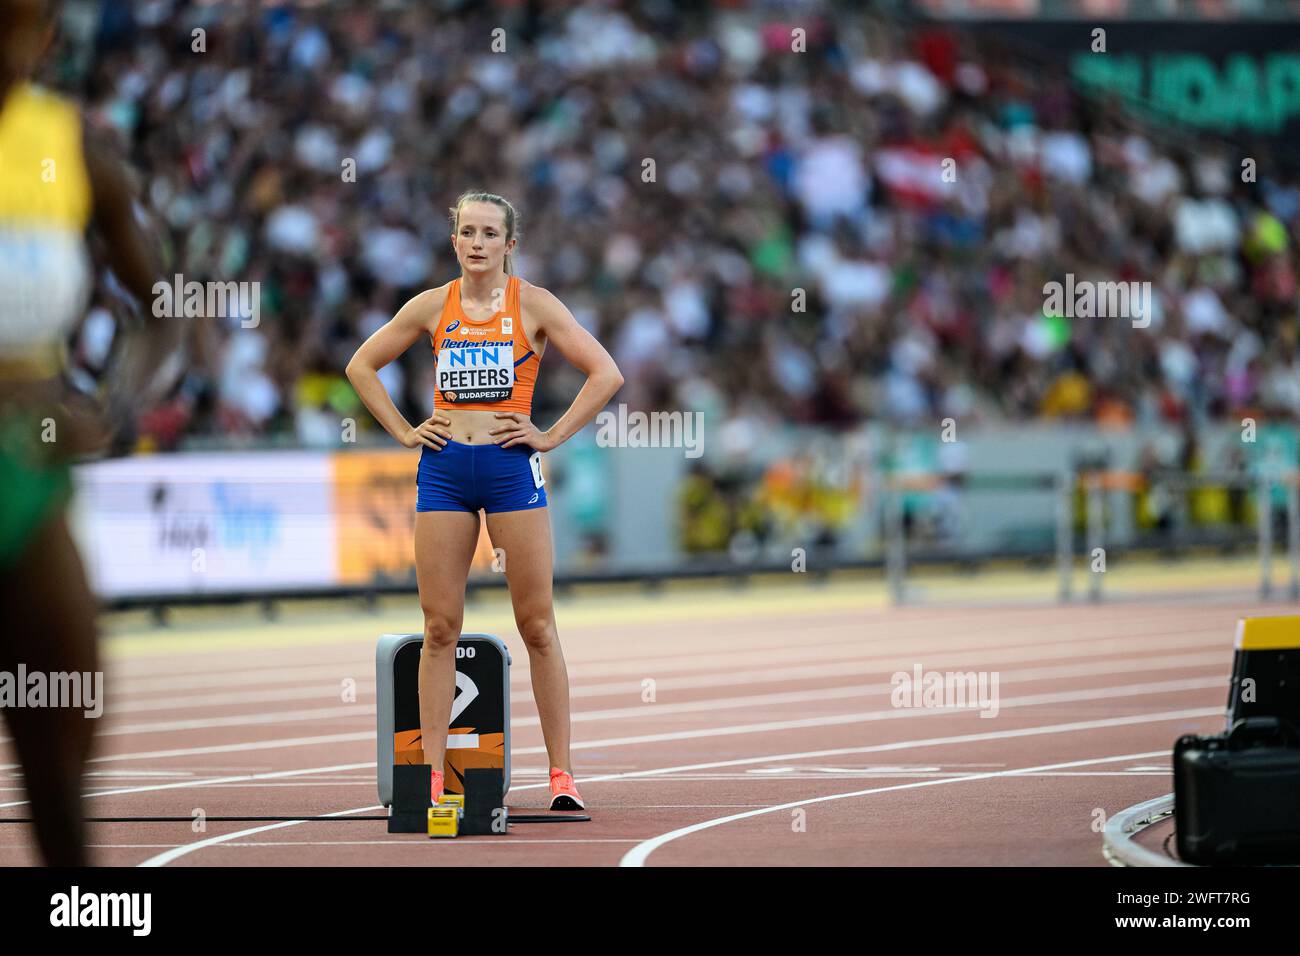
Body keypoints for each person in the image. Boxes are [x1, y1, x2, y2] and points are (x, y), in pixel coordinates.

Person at [348, 191, 623, 810]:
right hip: (444, 470)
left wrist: (550, 435)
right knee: (439, 626)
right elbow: (361, 366)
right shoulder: (431, 306)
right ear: (454, 241)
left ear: (509, 244)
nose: (477, 243)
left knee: (538, 624)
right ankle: (433, 777)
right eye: (467, 232)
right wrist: (403, 431)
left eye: (489, 233)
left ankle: (562, 777)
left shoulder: (535, 304)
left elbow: (606, 373)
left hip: (508, 471)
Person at [0, 0, 167, 865]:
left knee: (62, 740)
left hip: (22, 466)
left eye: (20, 23)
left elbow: (160, 306)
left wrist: (108, 405)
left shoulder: (67, 147)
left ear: (45, 36)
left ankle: (81, 914)